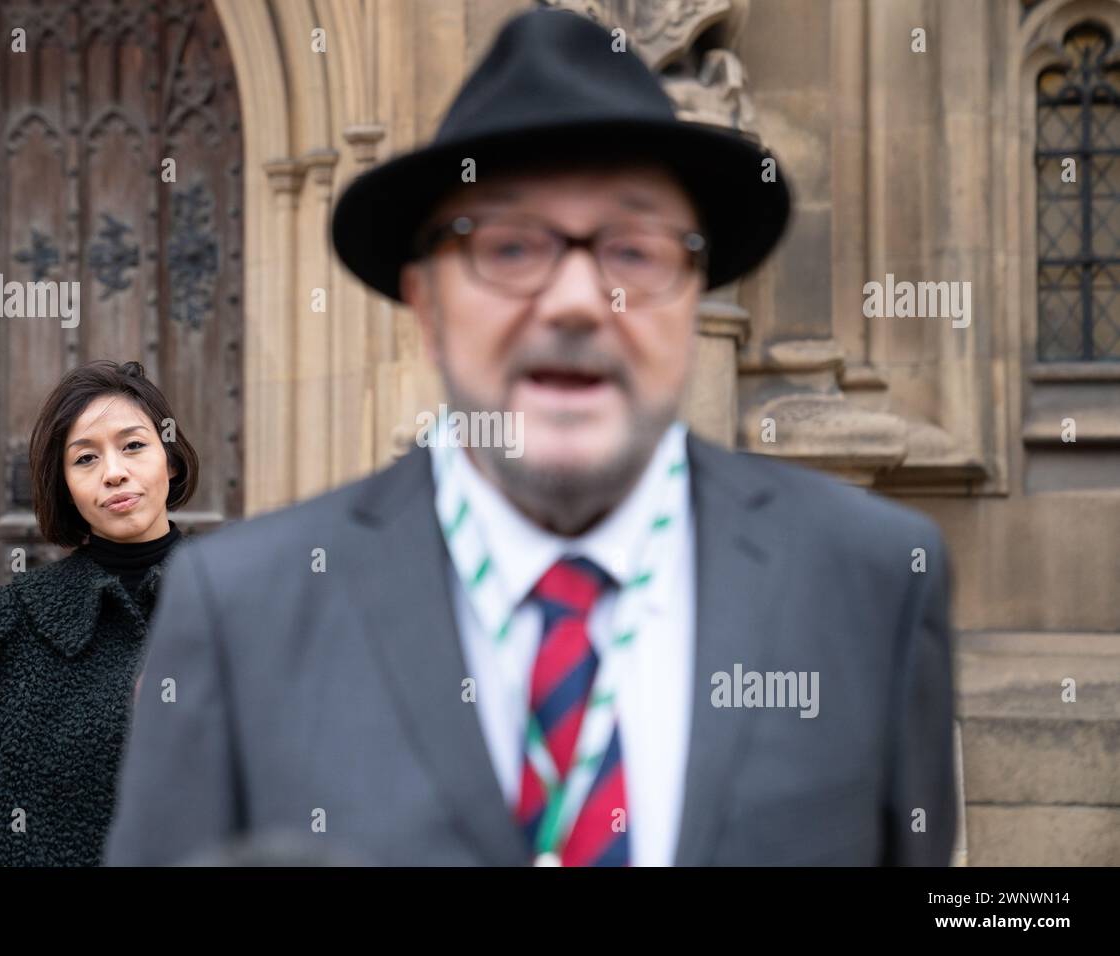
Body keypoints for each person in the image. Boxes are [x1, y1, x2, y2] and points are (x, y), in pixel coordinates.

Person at [106, 8, 955, 867]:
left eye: (635, 249)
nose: (578, 301)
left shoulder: (869, 584)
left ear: (694, 289)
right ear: (428, 307)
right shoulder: (242, 611)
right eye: (511, 248)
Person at [0, 360, 198, 865]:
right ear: (65, 484)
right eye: (85, 458)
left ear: (171, 461)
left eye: (134, 446)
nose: (114, 472)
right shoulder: (14, 619)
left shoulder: (238, 602)